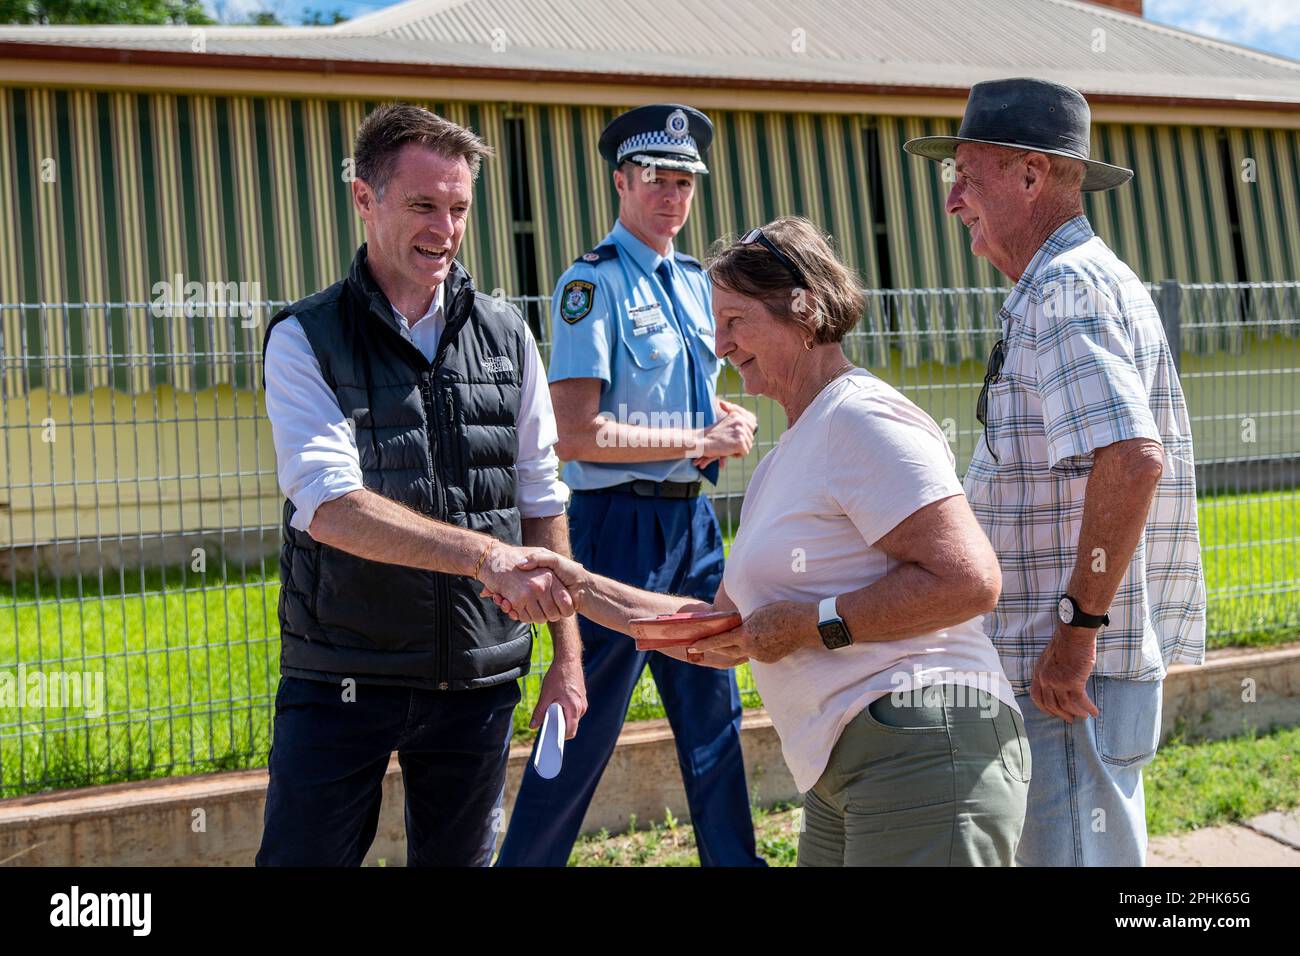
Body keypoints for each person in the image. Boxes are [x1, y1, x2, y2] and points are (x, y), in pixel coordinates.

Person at [491, 217, 1030, 867]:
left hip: (919, 747)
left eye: (735, 321)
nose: (719, 346)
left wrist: (812, 625)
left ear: (802, 310)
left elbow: (970, 580)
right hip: (846, 769)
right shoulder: (784, 457)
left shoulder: (861, 417)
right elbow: (715, 628)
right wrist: (574, 582)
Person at [256, 103, 586, 867]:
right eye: (423, 205)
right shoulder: (305, 338)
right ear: (364, 199)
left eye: (460, 208)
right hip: (342, 675)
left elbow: (541, 497)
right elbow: (333, 509)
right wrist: (485, 558)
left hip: (478, 678)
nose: (445, 229)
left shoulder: (508, 334)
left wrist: (566, 658)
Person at [904, 77, 1207, 866]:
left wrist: (1075, 634)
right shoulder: (1067, 282)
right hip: (1066, 670)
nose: (952, 200)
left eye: (966, 176)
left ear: (1031, 176)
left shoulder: (1067, 289)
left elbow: (1131, 459)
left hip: (1067, 676)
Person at [497, 104, 763, 867]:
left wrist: (721, 419)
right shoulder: (592, 285)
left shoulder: (692, 282)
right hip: (615, 529)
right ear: (621, 181)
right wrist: (697, 438)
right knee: (584, 724)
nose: (671, 195)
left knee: (716, 717)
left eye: (684, 181)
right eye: (655, 178)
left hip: (694, 526)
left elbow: (680, 399)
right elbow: (576, 433)